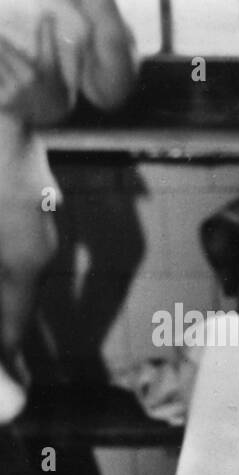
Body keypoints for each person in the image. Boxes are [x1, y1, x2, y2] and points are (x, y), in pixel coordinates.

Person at [0, 0, 136, 422]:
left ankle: (5, 361)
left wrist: (103, 17)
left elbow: (108, 91)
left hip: (14, 174)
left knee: (26, 255)